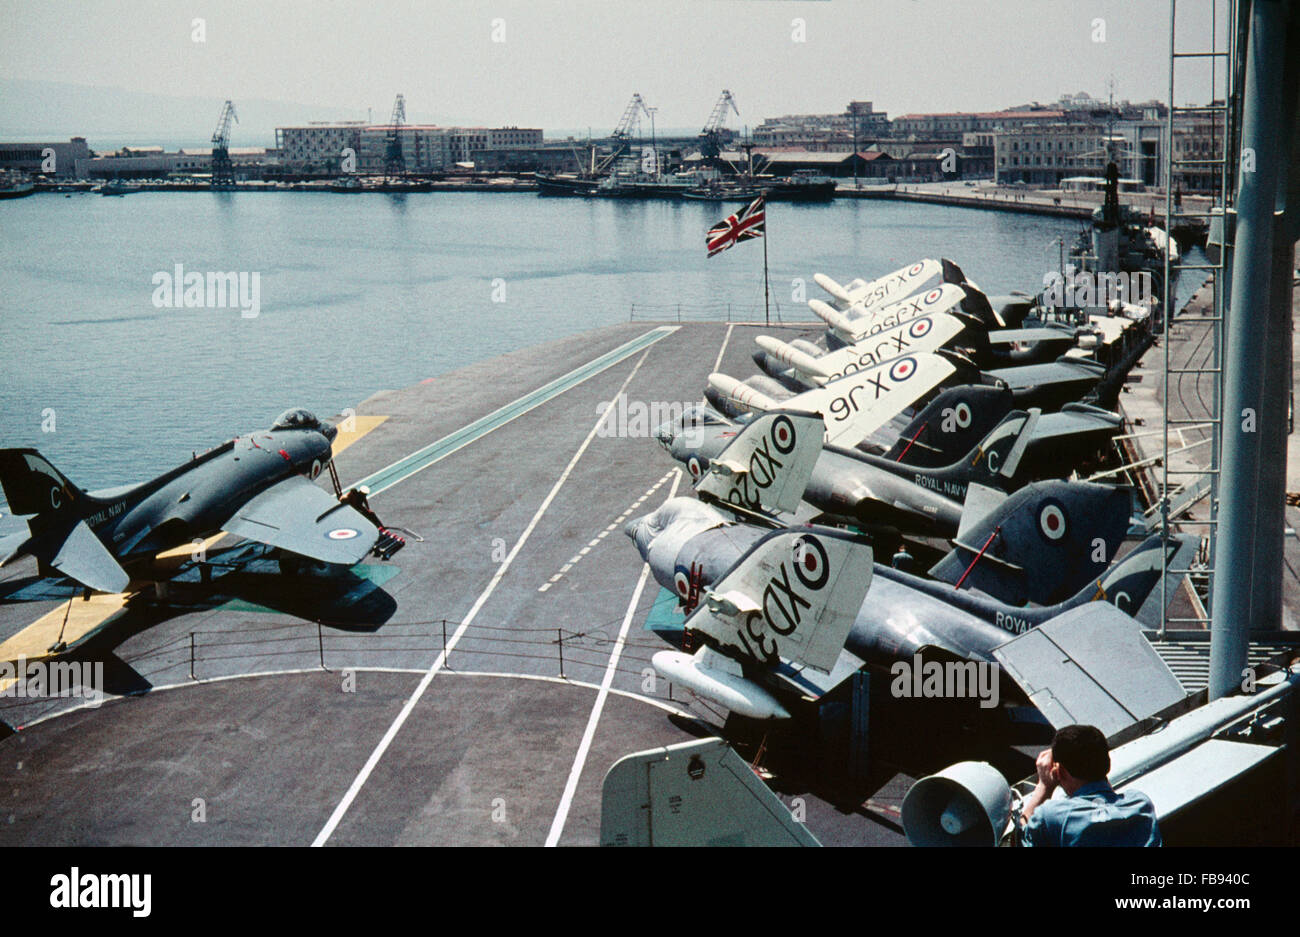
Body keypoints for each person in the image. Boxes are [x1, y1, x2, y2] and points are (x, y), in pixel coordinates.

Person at [1019, 724, 1161, 846]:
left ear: (1060, 771)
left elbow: (1018, 840)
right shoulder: (1140, 803)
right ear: (1107, 764)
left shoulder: (1052, 816)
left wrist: (1044, 786)